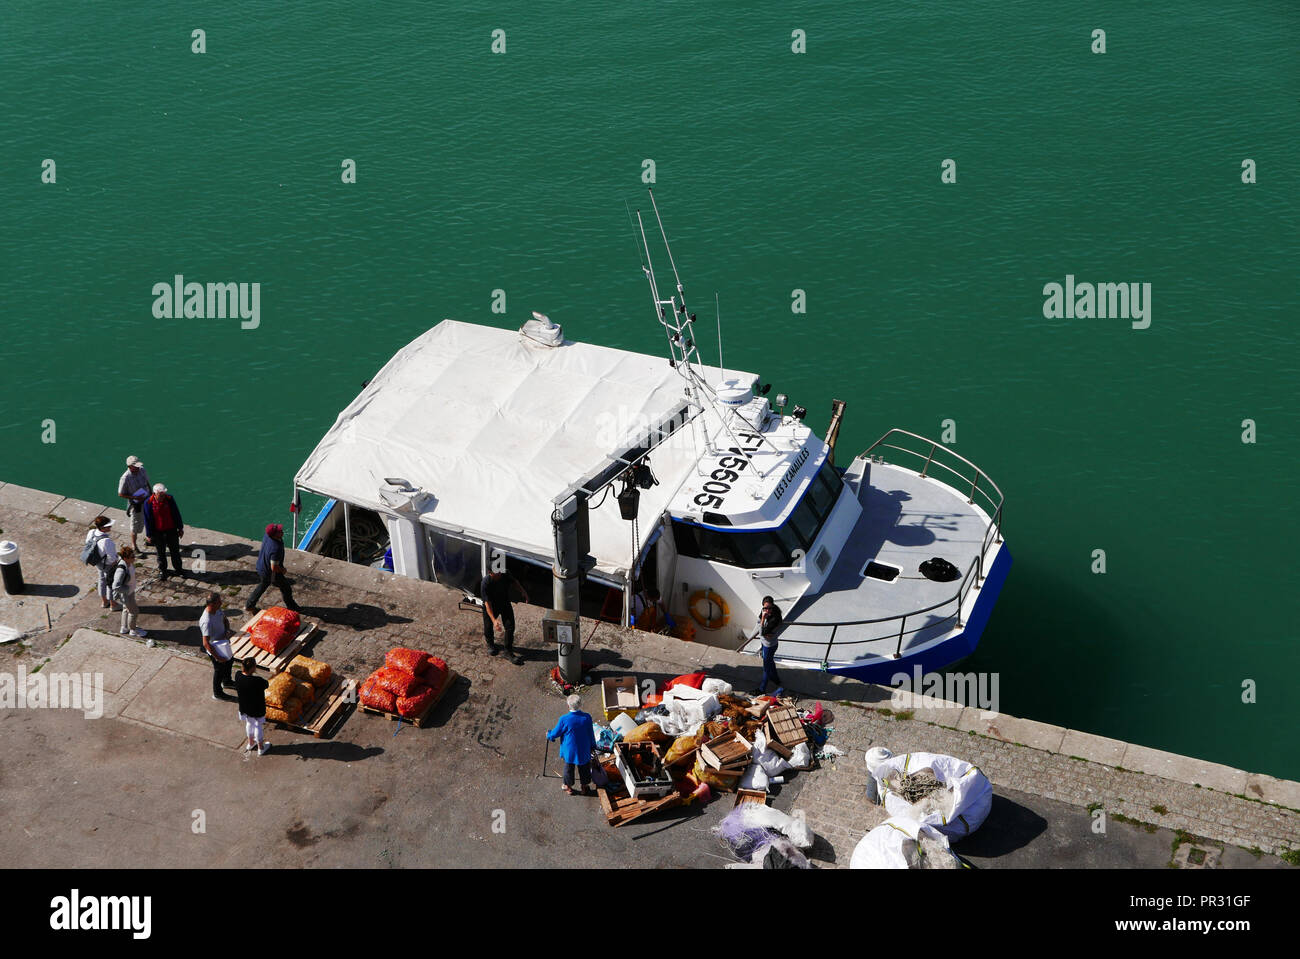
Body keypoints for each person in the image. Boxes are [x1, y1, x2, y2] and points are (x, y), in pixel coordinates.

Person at [547, 694, 597, 796]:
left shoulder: (564, 719)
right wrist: (592, 746)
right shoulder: (587, 717)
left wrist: (549, 735)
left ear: (568, 706)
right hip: (584, 749)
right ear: (580, 704)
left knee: (568, 769)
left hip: (570, 750)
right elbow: (590, 733)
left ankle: (568, 787)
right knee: (584, 769)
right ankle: (584, 787)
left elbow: (556, 733)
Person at [245, 524, 300, 613]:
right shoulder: (276, 548)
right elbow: (274, 567)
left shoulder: (267, 536)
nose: (282, 531)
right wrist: (283, 570)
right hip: (269, 572)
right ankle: (292, 607)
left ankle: (249, 605)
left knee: (264, 584)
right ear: (275, 535)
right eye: (279, 531)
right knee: (285, 588)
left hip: (261, 565)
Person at [480, 565, 527, 665]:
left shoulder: (505, 573)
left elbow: (515, 582)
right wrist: (494, 620)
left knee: (510, 627)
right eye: (496, 573)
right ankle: (490, 644)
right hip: (492, 605)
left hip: (505, 602)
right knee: (488, 626)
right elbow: (487, 604)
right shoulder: (485, 583)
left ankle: (508, 651)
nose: (499, 574)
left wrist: (523, 592)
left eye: (499, 572)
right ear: (490, 573)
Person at [143, 483, 186, 580]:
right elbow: (147, 520)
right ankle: (163, 570)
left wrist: (180, 528)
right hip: (157, 532)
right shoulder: (148, 503)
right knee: (160, 553)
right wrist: (149, 535)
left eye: (163, 494)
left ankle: (178, 569)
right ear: (155, 494)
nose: (163, 496)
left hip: (171, 530)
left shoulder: (170, 499)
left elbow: (176, 513)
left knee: (175, 551)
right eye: (160, 495)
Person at [199, 592, 237, 701]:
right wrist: (218, 657)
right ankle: (217, 693)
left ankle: (227, 682)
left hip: (223, 643)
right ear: (211, 604)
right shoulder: (206, 621)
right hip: (214, 648)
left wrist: (227, 630)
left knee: (230, 661)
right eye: (218, 602)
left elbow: (225, 620)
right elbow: (206, 643)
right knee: (219, 669)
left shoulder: (217, 610)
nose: (221, 603)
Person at [234, 657, 270, 755]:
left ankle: (250, 743)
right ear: (253, 668)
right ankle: (261, 748)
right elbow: (266, 684)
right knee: (258, 726)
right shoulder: (257, 680)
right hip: (256, 708)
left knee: (249, 723)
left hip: (244, 707)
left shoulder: (237, 675)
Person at [117, 455, 152, 553]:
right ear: (129, 466)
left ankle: (150, 538)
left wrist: (151, 493)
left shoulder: (142, 470)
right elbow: (121, 494)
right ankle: (134, 545)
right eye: (135, 466)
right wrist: (135, 497)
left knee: (150, 519)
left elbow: (147, 482)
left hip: (147, 498)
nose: (137, 467)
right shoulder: (125, 478)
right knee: (135, 525)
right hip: (136, 503)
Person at [111, 546, 147, 638]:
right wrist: (127, 590)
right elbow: (115, 586)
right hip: (127, 594)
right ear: (125, 558)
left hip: (128, 592)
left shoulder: (128, 563)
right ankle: (133, 630)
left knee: (125, 609)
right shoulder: (121, 569)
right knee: (134, 612)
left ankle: (124, 627)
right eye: (132, 557)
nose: (134, 558)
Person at [85, 516, 120, 610]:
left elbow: (87, 543)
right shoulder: (107, 541)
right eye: (109, 526)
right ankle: (113, 604)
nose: (110, 528)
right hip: (107, 564)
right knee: (110, 583)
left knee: (101, 580)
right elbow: (112, 558)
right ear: (103, 528)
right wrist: (114, 563)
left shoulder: (91, 532)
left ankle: (104, 601)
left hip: (97, 561)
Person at [753, 595, 784, 696]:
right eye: (765, 608)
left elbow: (761, 632)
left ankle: (762, 688)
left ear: (773, 606)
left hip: (769, 646)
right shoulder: (764, 611)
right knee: (770, 662)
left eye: (769, 608)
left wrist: (762, 620)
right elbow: (764, 633)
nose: (767, 610)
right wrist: (763, 628)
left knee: (766, 667)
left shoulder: (775, 618)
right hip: (766, 643)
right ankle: (776, 680)